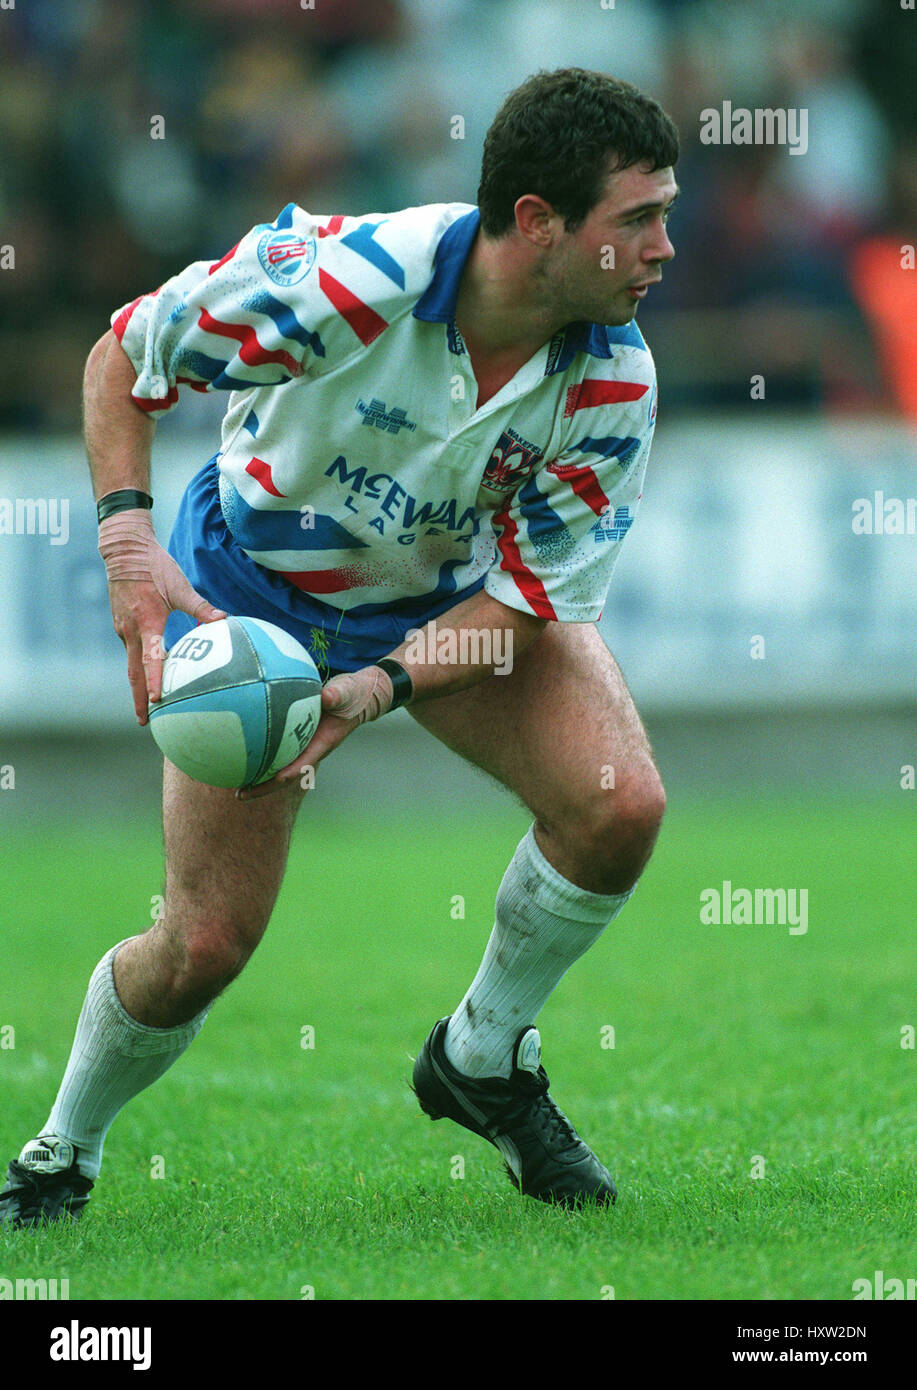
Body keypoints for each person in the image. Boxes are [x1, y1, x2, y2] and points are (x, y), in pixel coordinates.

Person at [1, 67, 678, 1225]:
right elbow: (123, 358)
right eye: (639, 219)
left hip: (439, 605)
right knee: (202, 942)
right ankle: (61, 1154)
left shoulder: (613, 375)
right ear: (534, 224)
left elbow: (528, 596)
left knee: (618, 804)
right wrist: (126, 551)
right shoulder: (343, 279)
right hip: (246, 599)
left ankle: (480, 1056)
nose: (666, 246)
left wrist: (379, 684)